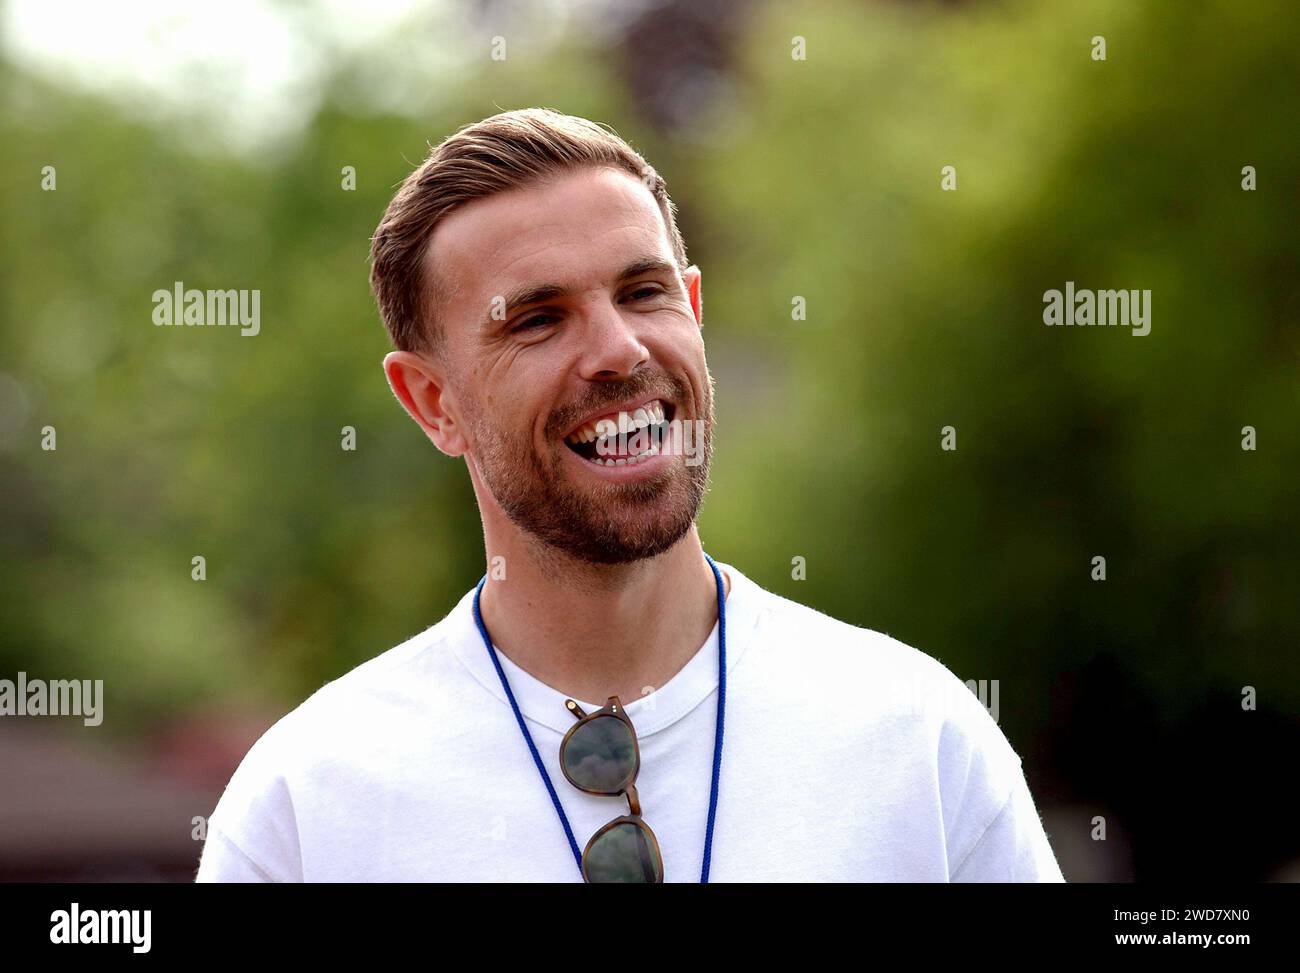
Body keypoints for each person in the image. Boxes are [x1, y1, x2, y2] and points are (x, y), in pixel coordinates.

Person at [196, 108, 1064, 883]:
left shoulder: (919, 738)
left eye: (643, 292)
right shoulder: (307, 807)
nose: (618, 349)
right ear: (433, 402)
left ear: (691, 305)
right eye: (537, 318)